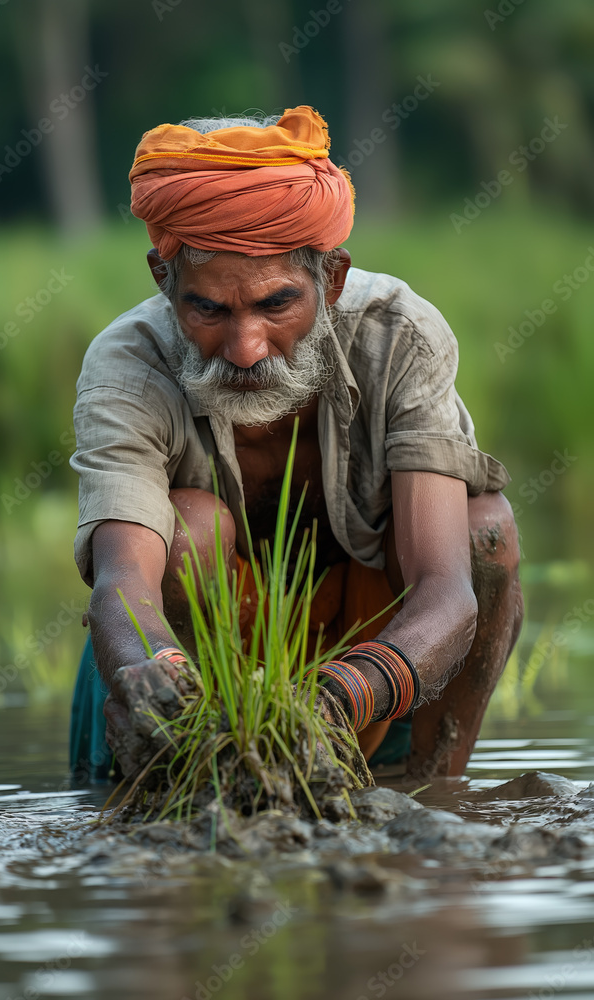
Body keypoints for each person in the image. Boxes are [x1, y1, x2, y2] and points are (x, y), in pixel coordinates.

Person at [68, 106, 524, 784]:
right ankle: (188, 774)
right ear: (164, 282)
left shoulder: (398, 336)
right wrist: (147, 670)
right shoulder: (128, 365)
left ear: (330, 279)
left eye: (275, 305)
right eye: (208, 309)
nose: (245, 348)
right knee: (190, 526)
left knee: (483, 530)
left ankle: (437, 787)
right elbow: (122, 581)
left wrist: (340, 696)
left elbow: (447, 592)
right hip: (179, 658)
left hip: (375, 658)